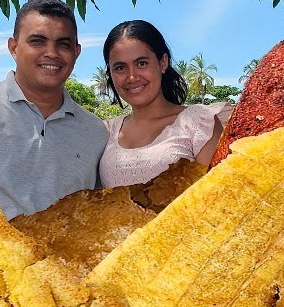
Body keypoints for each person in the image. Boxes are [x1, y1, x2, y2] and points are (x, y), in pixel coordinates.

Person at [0, 0, 107, 219]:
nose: (52, 53)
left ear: (76, 52)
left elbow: (95, 210)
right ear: (14, 48)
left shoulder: (95, 131)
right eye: (37, 41)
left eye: (63, 44)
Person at [98, 20, 230, 188]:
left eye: (141, 63)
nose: (132, 77)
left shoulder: (198, 123)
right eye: (120, 68)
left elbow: (219, 193)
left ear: (163, 62)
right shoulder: (106, 131)